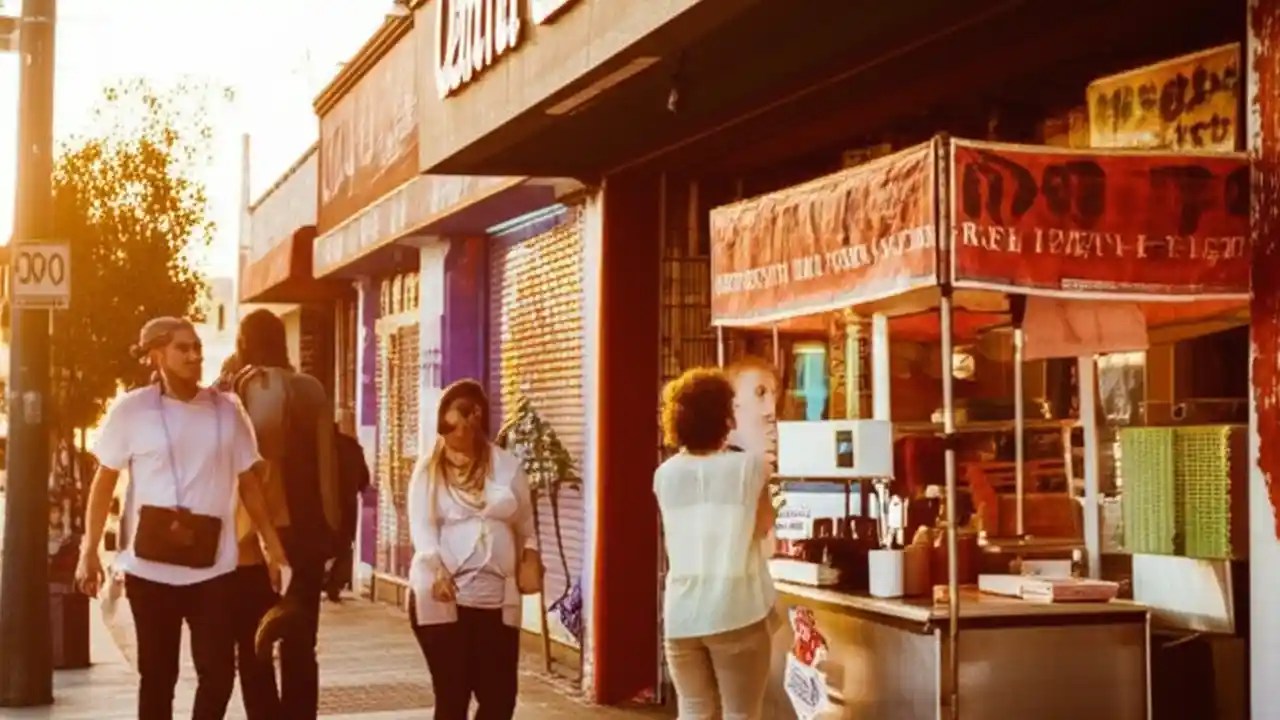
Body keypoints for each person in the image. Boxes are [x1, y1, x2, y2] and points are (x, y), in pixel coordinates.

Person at [75, 317, 288, 720]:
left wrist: (272, 547)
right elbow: (104, 482)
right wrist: (89, 550)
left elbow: (249, 483)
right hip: (150, 570)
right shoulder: (132, 410)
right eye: (182, 348)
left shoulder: (227, 410)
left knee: (219, 674)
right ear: (158, 355)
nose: (194, 356)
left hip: (214, 569)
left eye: (197, 347)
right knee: (157, 678)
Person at [407, 379, 539, 720]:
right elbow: (422, 528)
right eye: (447, 426)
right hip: (444, 599)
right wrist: (436, 569)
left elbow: (526, 523)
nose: (456, 433)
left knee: (499, 700)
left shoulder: (506, 467)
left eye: (463, 421)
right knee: (453, 696)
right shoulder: (429, 470)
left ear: (478, 419)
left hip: (496, 601)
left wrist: (530, 557)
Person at [231, 309, 340, 720]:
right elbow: (328, 470)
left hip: (251, 535)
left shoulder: (236, 390)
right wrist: (333, 532)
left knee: (251, 641)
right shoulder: (310, 391)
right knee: (300, 642)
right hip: (305, 533)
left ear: (244, 343)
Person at [654, 368, 778, 720]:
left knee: (694, 711)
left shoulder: (665, 475)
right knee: (741, 714)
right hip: (735, 611)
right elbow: (764, 525)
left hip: (681, 615)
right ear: (725, 418)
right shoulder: (750, 468)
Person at [215, 354, 281, 719]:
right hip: (239, 564)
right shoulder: (254, 451)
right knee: (250, 662)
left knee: (242, 663)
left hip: (239, 565)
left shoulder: (248, 449)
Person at [326, 412, 371, 602]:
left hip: (324, 505)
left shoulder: (318, 450)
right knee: (344, 544)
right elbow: (364, 479)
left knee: (323, 543)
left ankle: (324, 580)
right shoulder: (352, 447)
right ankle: (335, 583)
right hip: (348, 504)